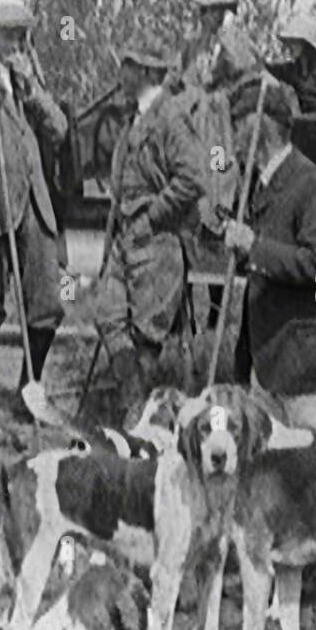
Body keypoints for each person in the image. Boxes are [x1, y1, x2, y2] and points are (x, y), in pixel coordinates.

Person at [222, 76, 316, 431]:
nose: (232, 144)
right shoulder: (261, 184)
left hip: (310, 363)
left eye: (237, 129)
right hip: (272, 361)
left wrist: (253, 246)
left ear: (259, 130)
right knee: (269, 474)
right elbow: (269, 259)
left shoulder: (313, 185)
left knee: (315, 476)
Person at [0, 2, 69, 445]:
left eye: (21, 37)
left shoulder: (30, 88)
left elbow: (60, 130)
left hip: (33, 209)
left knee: (47, 302)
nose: (15, 45)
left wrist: (33, 91)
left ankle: (29, 391)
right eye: (7, 37)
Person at [93, 46, 204, 415]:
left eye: (126, 65)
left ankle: (138, 419)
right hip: (128, 238)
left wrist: (151, 218)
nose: (120, 74)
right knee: (107, 313)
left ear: (145, 71)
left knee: (145, 336)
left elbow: (192, 178)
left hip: (159, 242)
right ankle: (133, 403)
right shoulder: (135, 118)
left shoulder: (170, 117)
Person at [178, 0, 260, 330]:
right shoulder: (192, 44)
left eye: (216, 12)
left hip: (222, 132)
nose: (208, 17)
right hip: (194, 124)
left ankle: (217, 309)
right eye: (206, 11)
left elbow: (247, 71)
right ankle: (188, 311)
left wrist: (229, 36)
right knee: (191, 197)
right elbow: (181, 79)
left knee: (218, 193)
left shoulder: (235, 43)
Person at [267, 17, 316, 116]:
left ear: (306, 44)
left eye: (294, 41)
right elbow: (268, 69)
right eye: (288, 41)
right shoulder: (290, 69)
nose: (289, 46)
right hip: (299, 125)